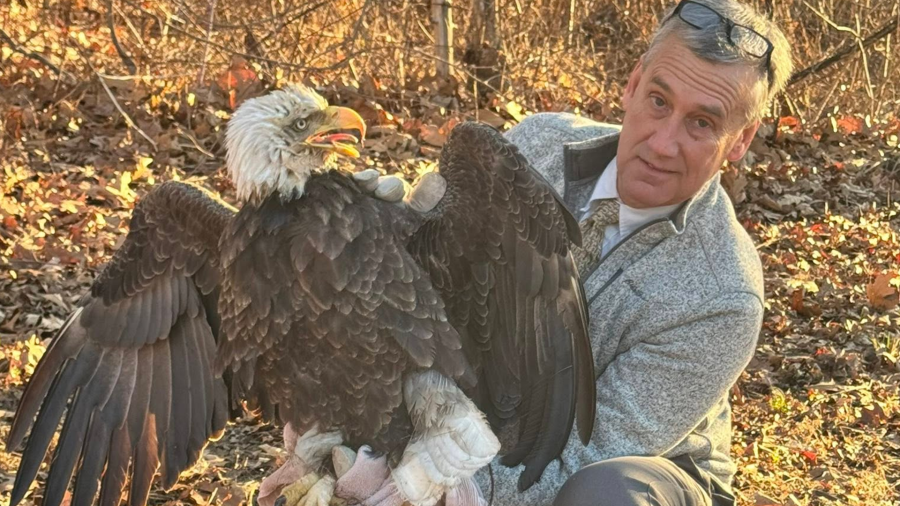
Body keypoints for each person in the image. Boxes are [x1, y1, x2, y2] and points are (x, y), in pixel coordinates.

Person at [276, 1, 794, 505]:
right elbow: (413, 295)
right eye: (659, 101)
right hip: (472, 409)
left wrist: (428, 485)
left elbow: (581, 455)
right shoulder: (534, 144)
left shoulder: (723, 294)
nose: (662, 143)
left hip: (632, 471)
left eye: (702, 123)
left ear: (741, 138)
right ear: (633, 84)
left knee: (603, 495)